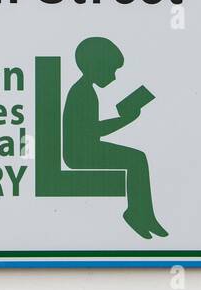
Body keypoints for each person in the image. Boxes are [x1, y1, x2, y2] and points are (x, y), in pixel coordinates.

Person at [62, 36, 166, 240]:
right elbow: (91, 131)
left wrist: (125, 118)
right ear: (95, 66)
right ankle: (137, 213)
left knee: (137, 158)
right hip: (79, 153)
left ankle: (144, 214)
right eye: (112, 69)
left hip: (87, 147)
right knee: (136, 159)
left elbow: (90, 131)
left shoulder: (85, 90)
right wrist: (125, 119)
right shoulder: (82, 93)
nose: (114, 76)